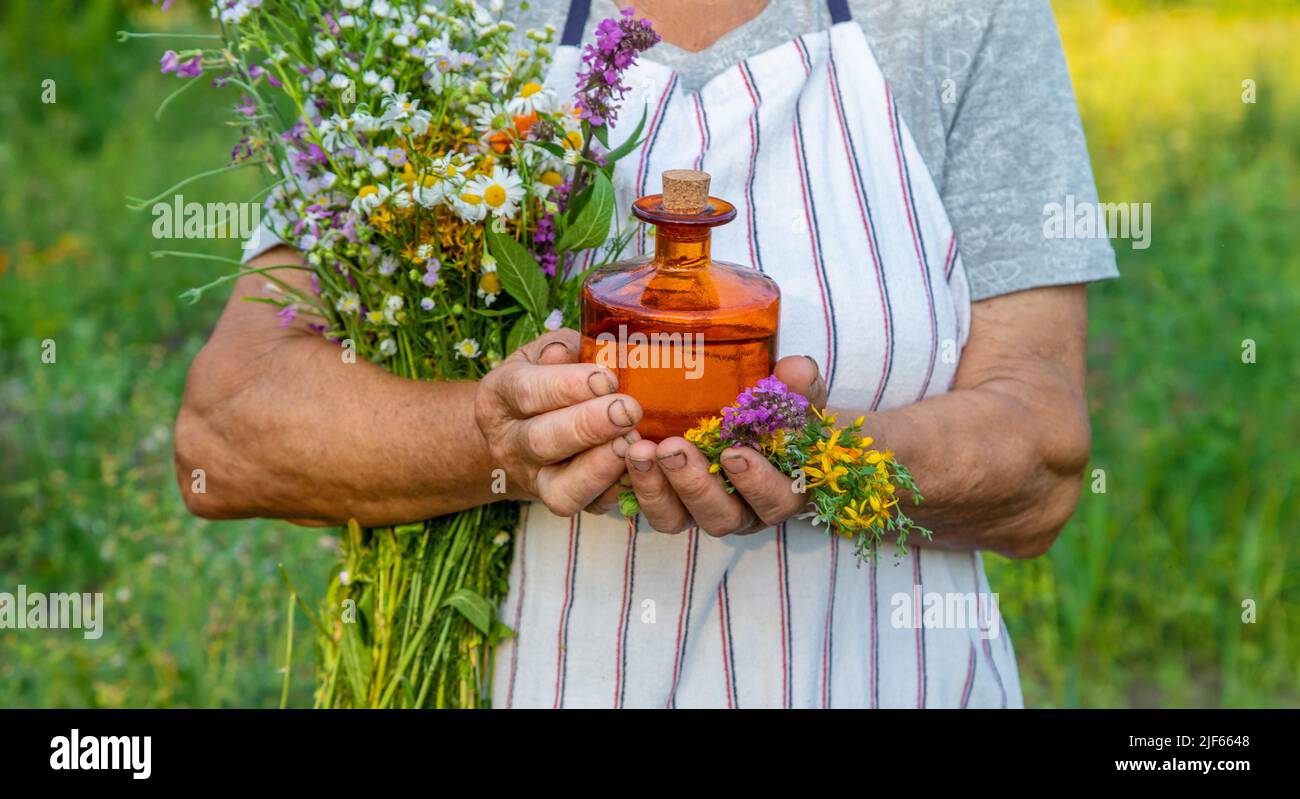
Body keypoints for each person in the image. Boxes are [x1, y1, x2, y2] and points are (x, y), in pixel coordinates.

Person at [175, 0, 1118, 708]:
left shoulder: (958, 17)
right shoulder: (435, 25)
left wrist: (817, 459)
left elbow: (1040, 450)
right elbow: (230, 433)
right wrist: (504, 442)